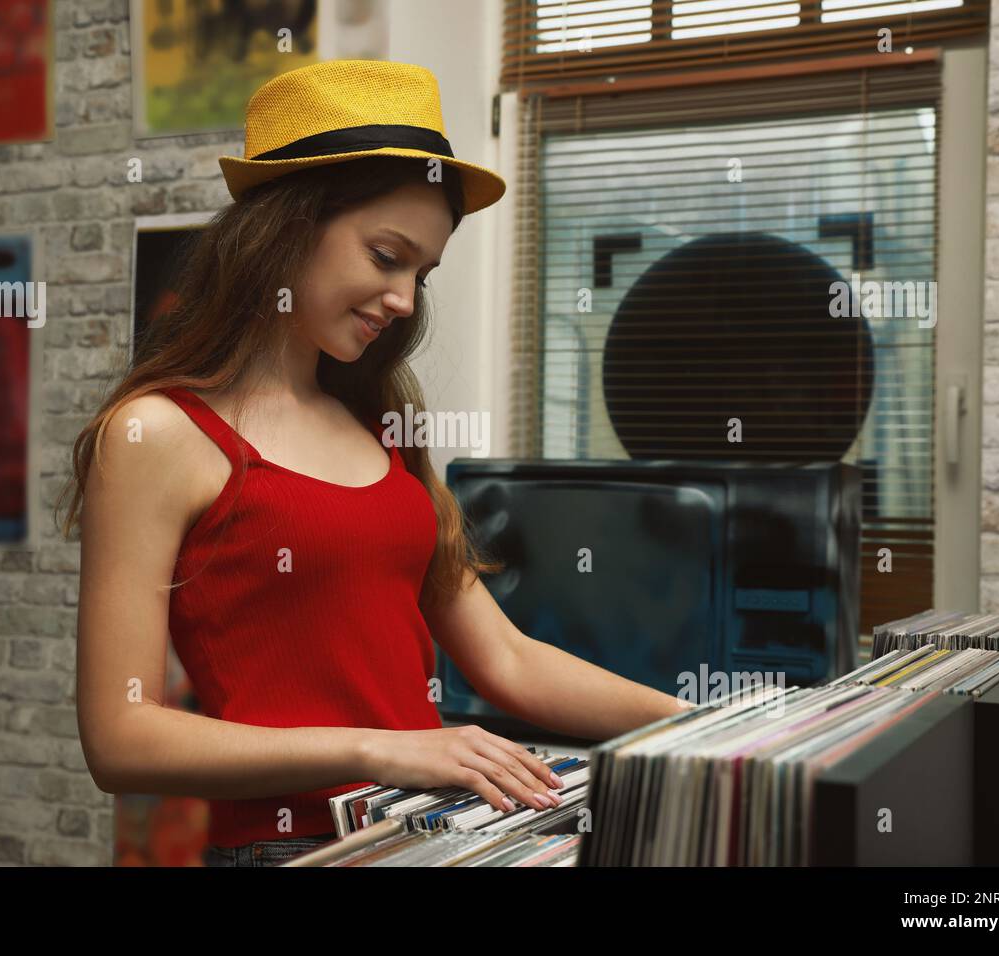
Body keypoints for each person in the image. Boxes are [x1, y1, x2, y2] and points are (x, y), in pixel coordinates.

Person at [59, 60, 686, 868]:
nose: (403, 300)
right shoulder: (157, 435)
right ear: (286, 230)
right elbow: (121, 738)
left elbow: (507, 659)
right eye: (386, 256)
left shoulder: (379, 424)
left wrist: (701, 727)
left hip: (431, 836)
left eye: (421, 274)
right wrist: (384, 751)